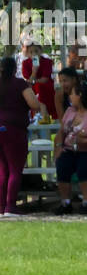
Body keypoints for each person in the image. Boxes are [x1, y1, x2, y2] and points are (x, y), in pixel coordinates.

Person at [55, 80, 87, 214]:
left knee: (84, 168)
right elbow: (62, 132)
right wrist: (59, 146)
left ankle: (86, 201)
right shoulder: (70, 111)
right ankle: (65, 202)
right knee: (62, 166)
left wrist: (83, 140)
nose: (70, 97)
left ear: (81, 95)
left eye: (72, 94)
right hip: (69, 150)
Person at [0, 55, 42, 218]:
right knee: (15, 169)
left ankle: (1, 206)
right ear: (14, 69)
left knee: (2, 170)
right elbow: (34, 104)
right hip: (14, 129)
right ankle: (11, 206)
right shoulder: (19, 84)